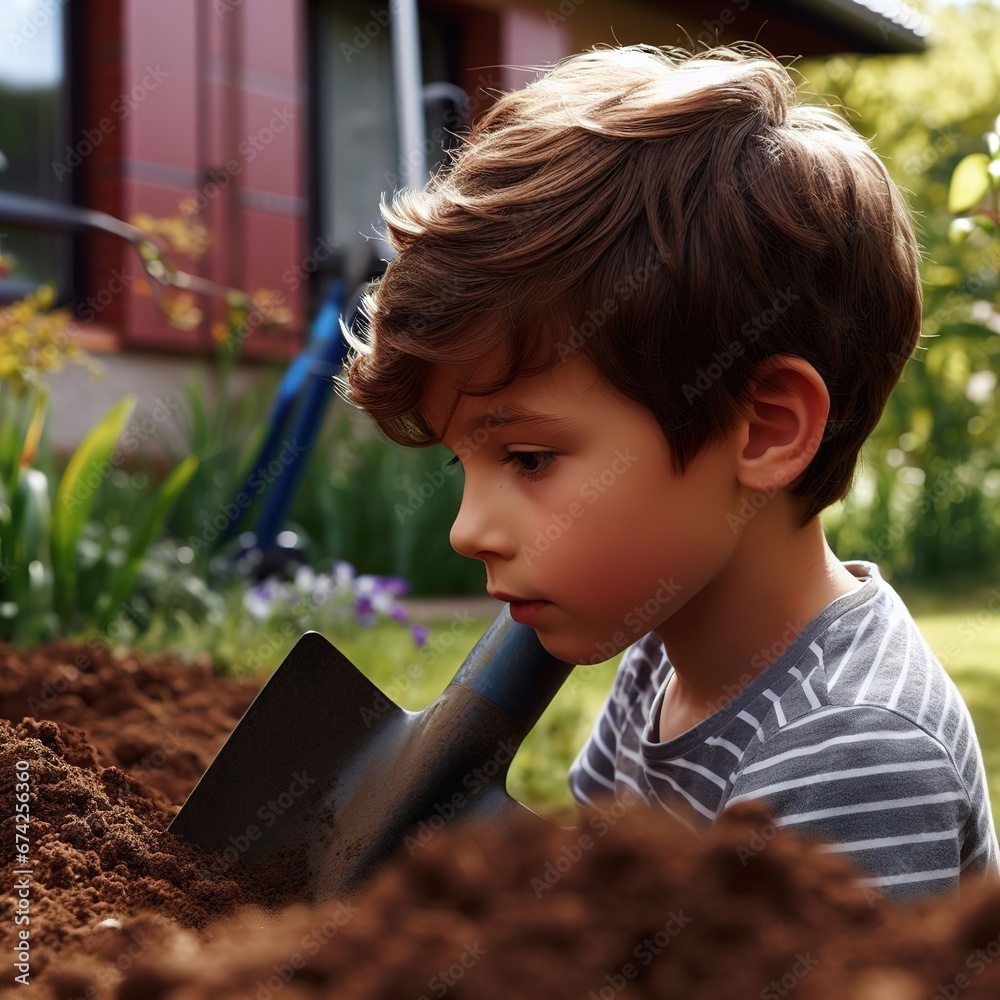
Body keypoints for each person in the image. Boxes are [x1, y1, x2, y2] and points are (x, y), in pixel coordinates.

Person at [335, 42, 999, 901]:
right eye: (468, 463)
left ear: (763, 429)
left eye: (530, 458)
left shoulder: (854, 751)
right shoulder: (662, 658)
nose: (468, 529)